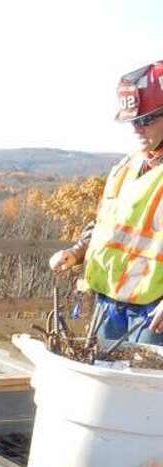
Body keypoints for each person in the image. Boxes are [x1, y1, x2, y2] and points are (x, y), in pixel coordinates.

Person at [49, 60, 163, 347]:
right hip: (110, 304)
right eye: (133, 121)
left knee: (144, 390)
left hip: (153, 313)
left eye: (146, 119)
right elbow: (105, 224)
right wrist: (76, 251)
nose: (137, 128)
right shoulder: (127, 166)